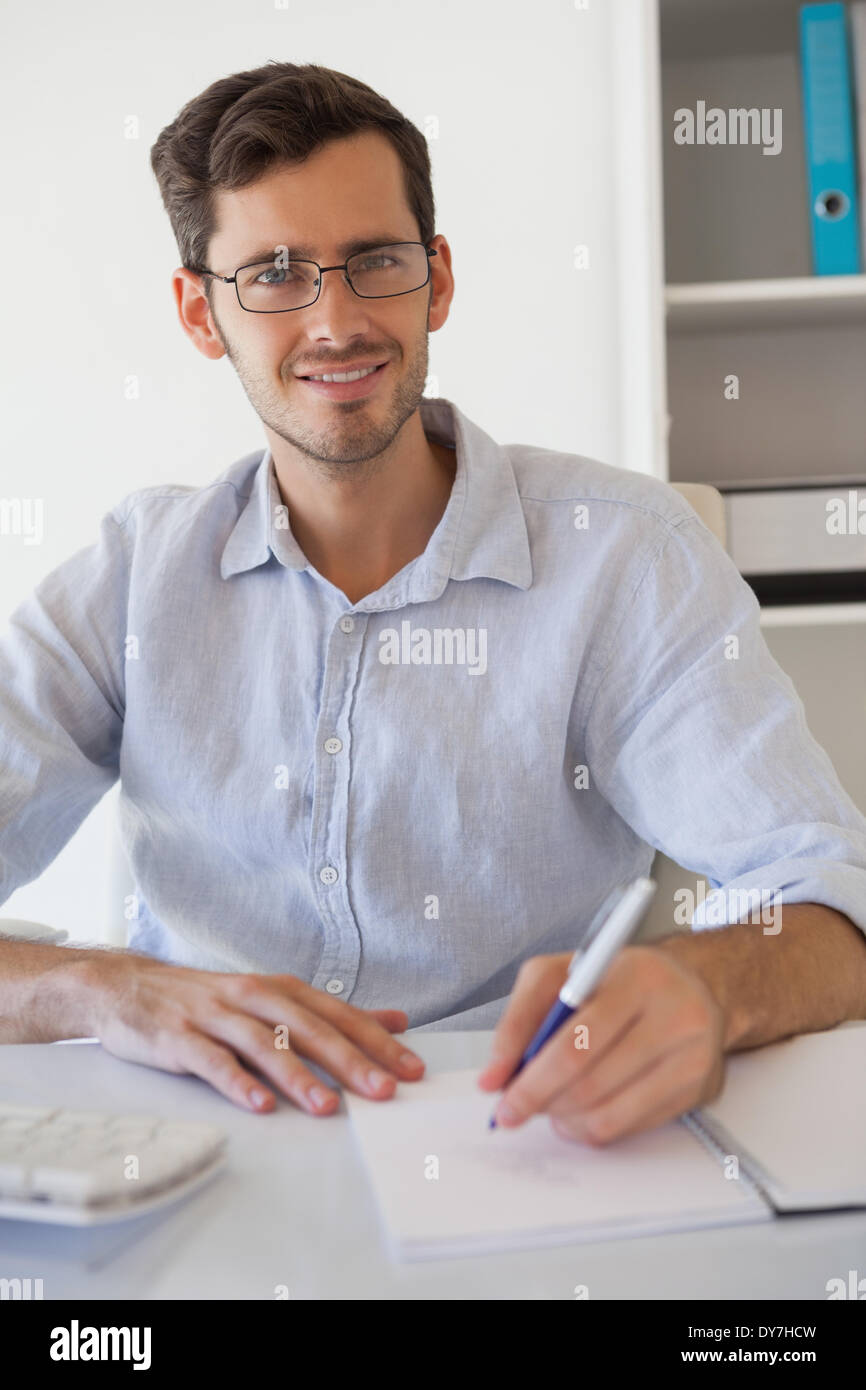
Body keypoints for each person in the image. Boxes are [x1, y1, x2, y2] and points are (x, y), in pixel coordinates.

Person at [2, 62, 865, 1148]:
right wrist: (104, 989)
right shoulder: (134, 574)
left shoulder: (624, 557)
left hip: (511, 1134)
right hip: (193, 1148)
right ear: (198, 311)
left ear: (437, 280)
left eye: (375, 262)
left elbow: (829, 899)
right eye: (273, 273)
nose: (336, 321)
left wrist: (710, 982)